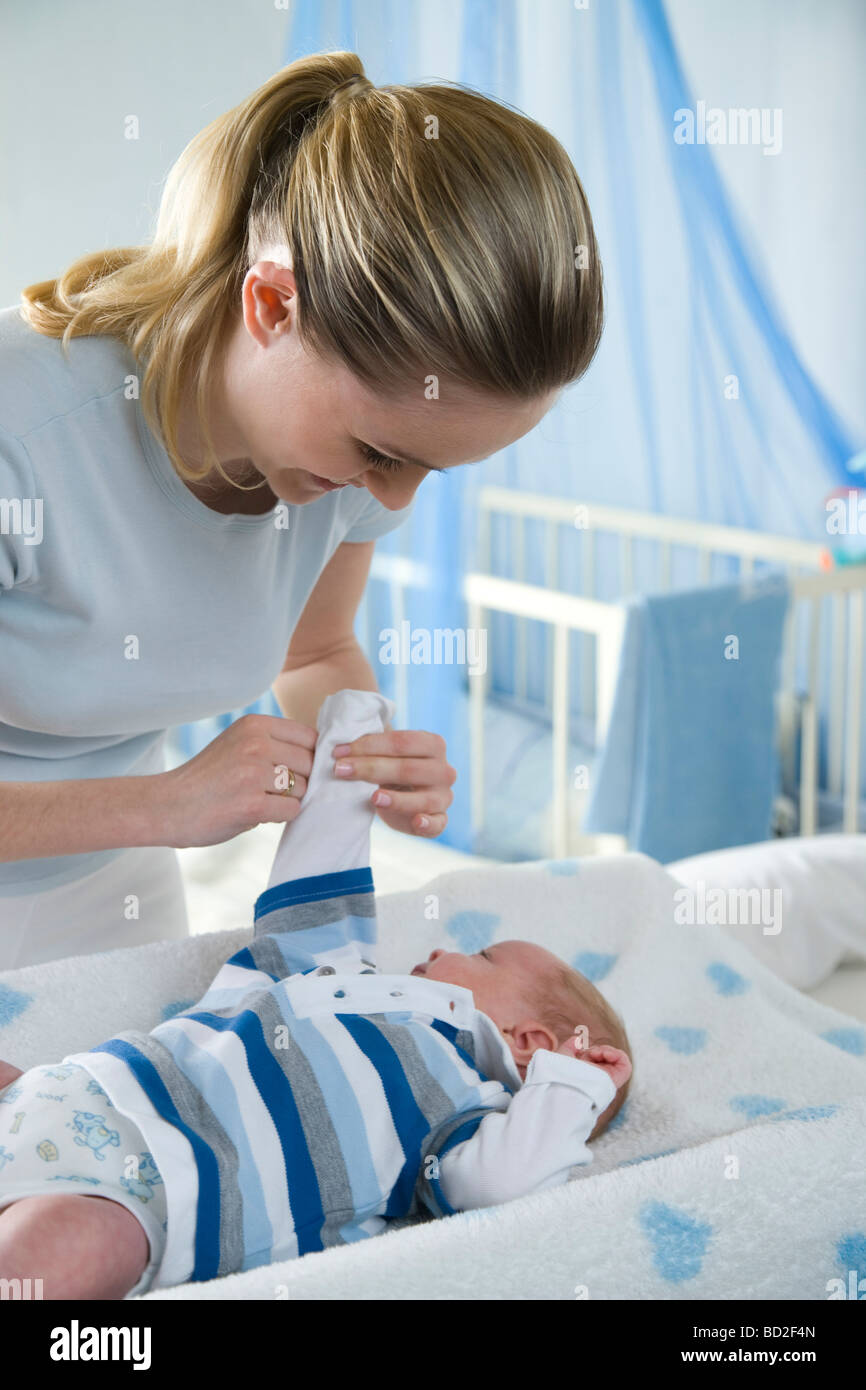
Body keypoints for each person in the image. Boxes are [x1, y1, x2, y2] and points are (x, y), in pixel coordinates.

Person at [0, 51, 604, 967]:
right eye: (381, 453)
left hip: (110, 878)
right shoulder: (26, 436)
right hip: (131, 828)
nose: (390, 501)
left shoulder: (335, 480)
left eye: (431, 472)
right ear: (273, 303)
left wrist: (366, 748)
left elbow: (314, 651)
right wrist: (168, 805)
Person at [0, 690, 632, 1299]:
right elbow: (322, 859)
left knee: (58, 1253)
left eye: (485, 954)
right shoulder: (333, 969)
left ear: (531, 1043)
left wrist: (575, 1084)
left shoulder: (463, 1112)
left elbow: (503, 1179)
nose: (443, 950)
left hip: (159, 1197)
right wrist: (352, 737)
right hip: (81, 1089)